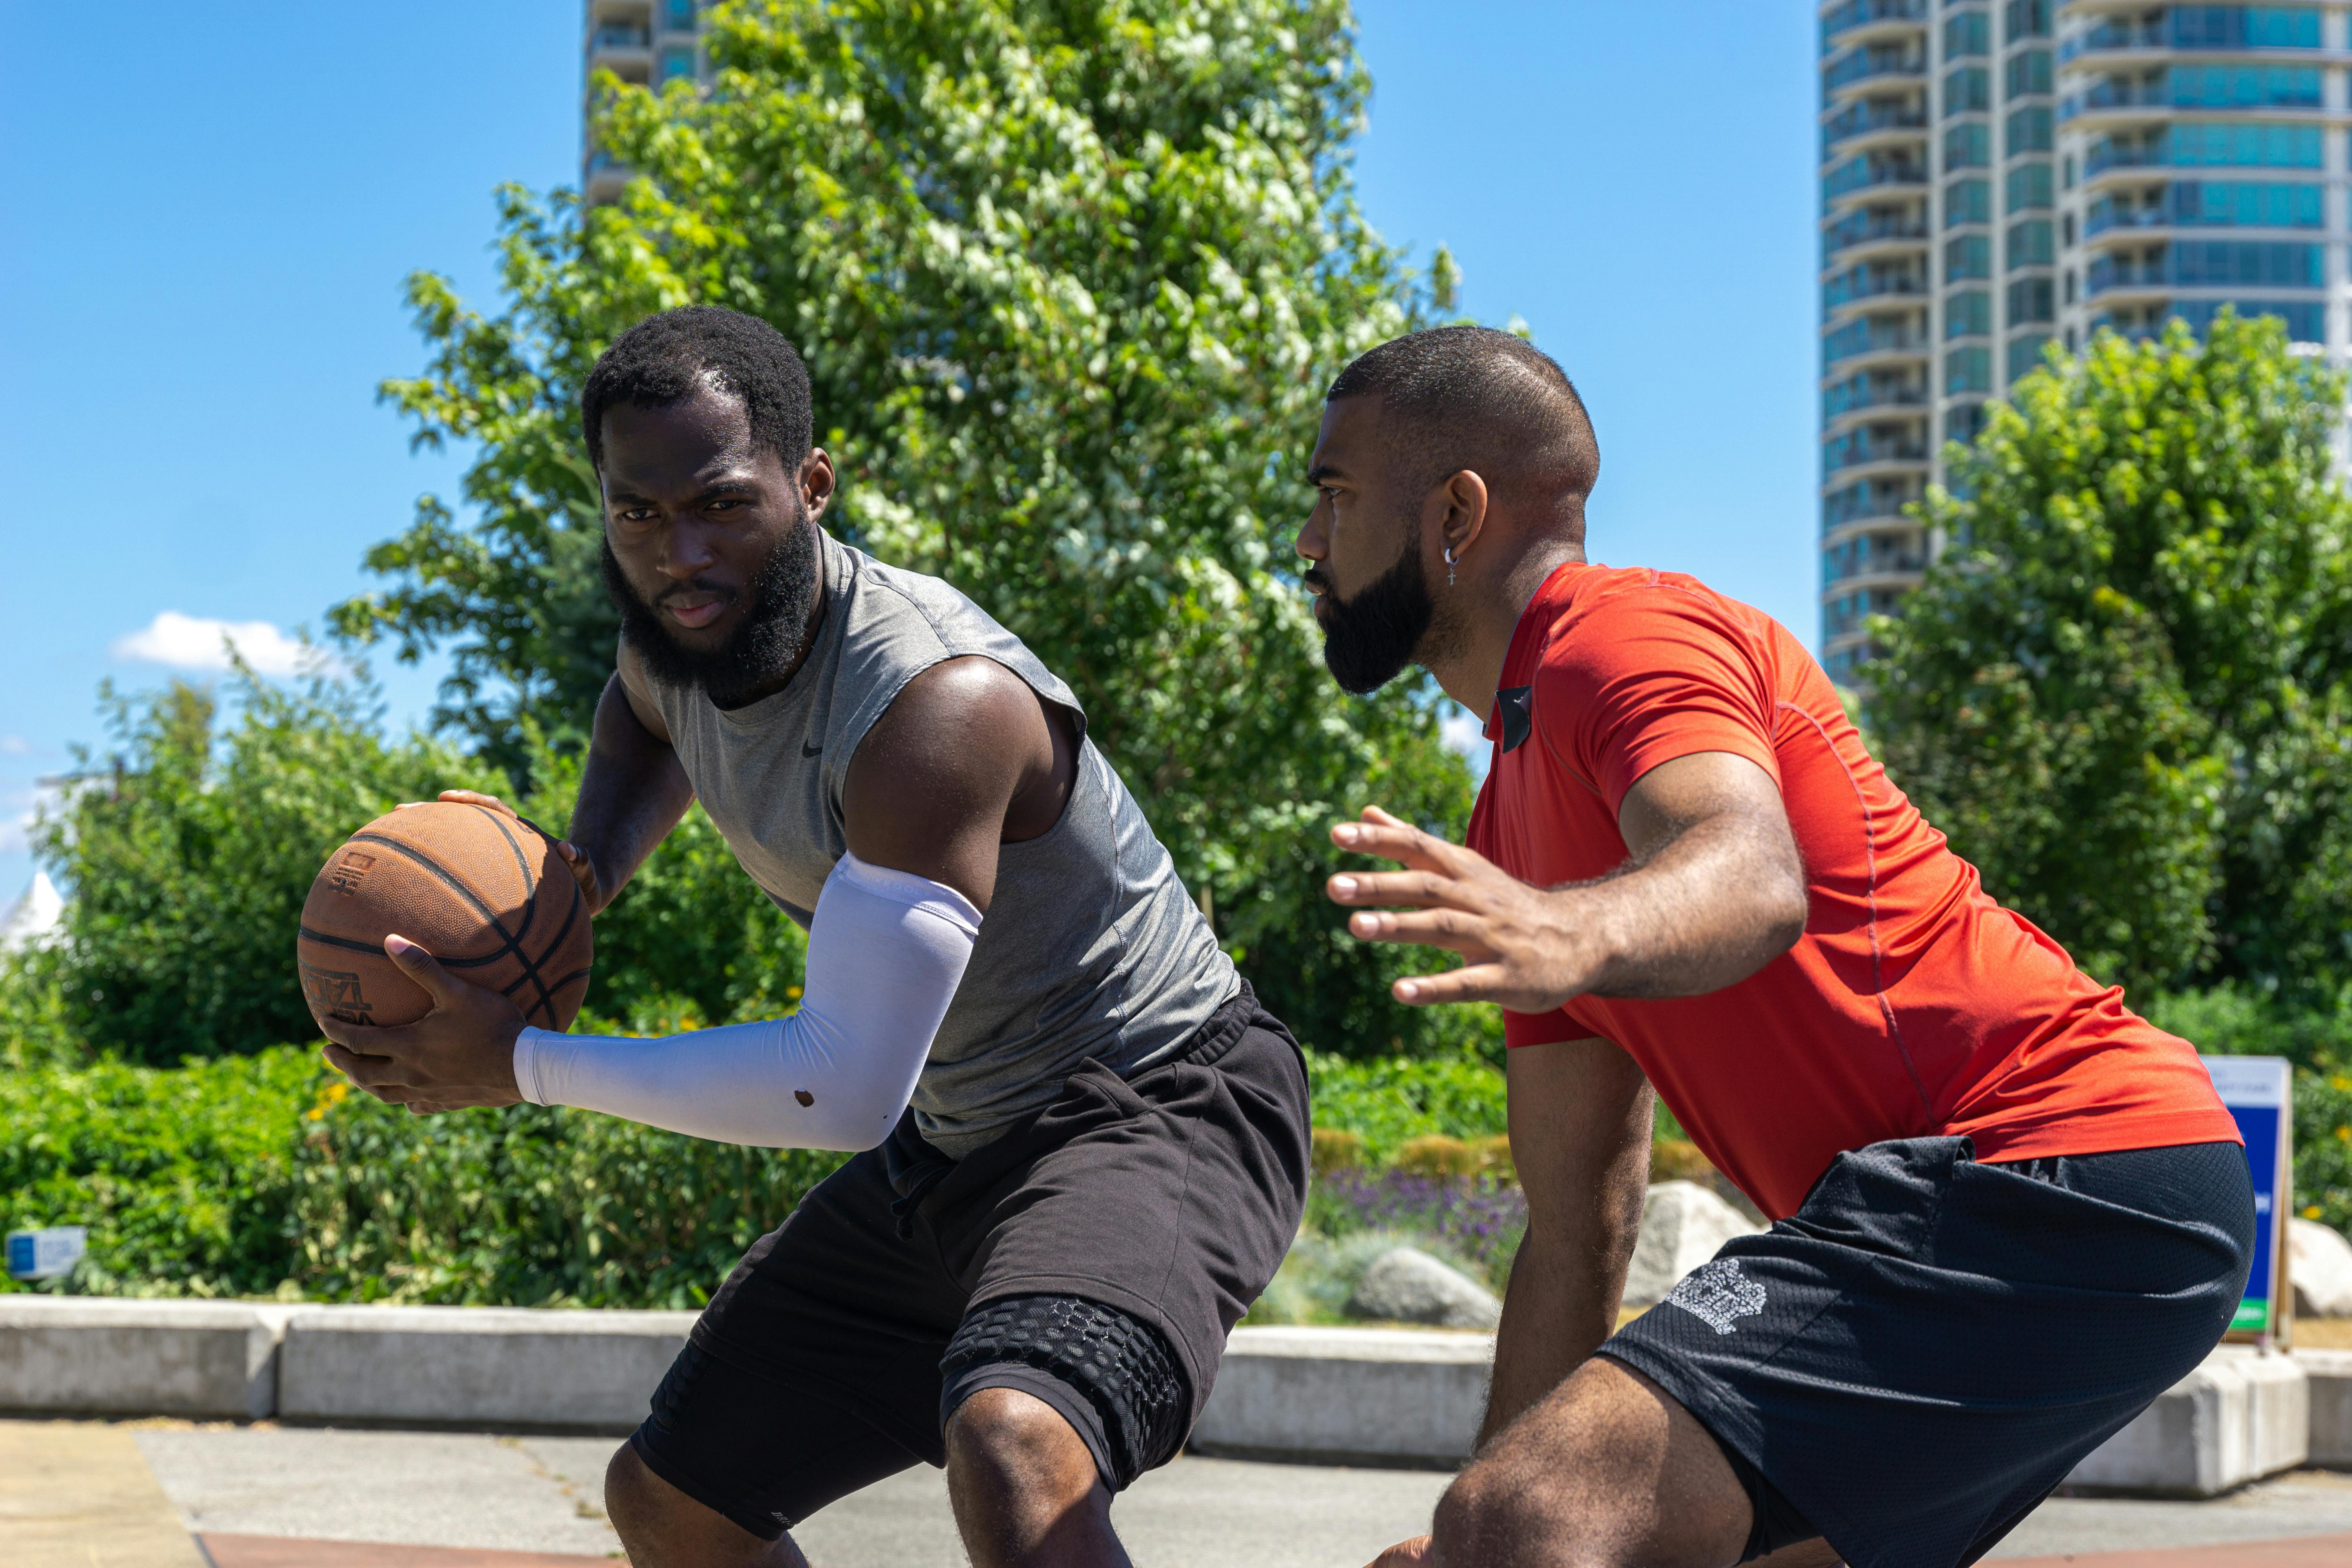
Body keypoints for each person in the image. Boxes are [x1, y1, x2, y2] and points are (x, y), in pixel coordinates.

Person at [315, 305, 1309, 1568]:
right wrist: (583, 876)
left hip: (1160, 1104)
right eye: (638, 514)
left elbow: (838, 1085)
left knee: (1014, 1449)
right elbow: (643, 718)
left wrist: (519, 1064)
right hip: (963, 1135)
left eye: (722, 505)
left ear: (812, 484)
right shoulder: (673, 639)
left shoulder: (936, 706)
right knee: (676, 1503)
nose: (680, 553)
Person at [1296, 326, 2254, 1568]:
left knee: (1531, 1518)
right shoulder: (1511, 805)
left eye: (1335, 496)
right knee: (1546, 1527)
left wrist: (1567, 926)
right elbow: (1578, 1215)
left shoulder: (1619, 640)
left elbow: (1750, 876)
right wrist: (1473, 1523)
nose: (1309, 543)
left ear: (1457, 517)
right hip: (2091, 1199)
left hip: (2049, 1161)